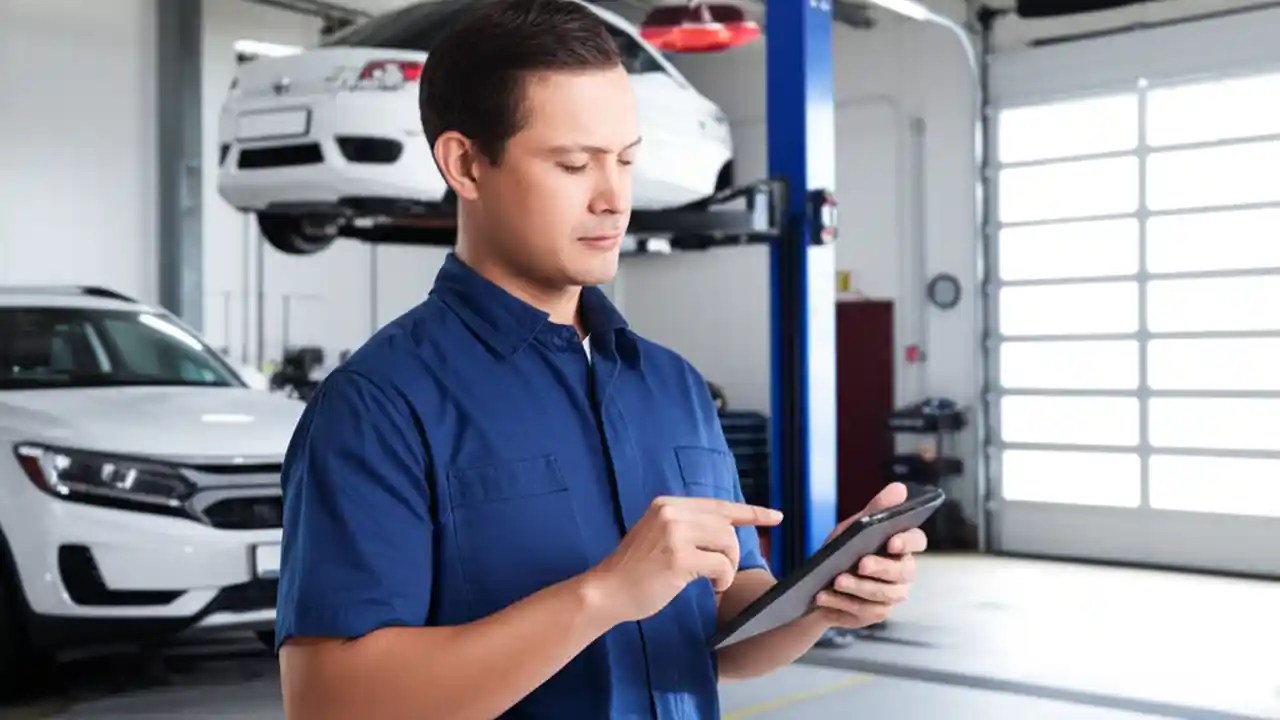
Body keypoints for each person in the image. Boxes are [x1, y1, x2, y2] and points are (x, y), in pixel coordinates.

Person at [274, 1, 927, 718]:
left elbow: (718, 629)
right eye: (574, 164)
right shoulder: (377, 405)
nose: (615, 198)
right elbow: (330, 702)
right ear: (465, 163)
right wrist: (605, 594)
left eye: (626, 160)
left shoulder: (671, 384)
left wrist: (817, 601)